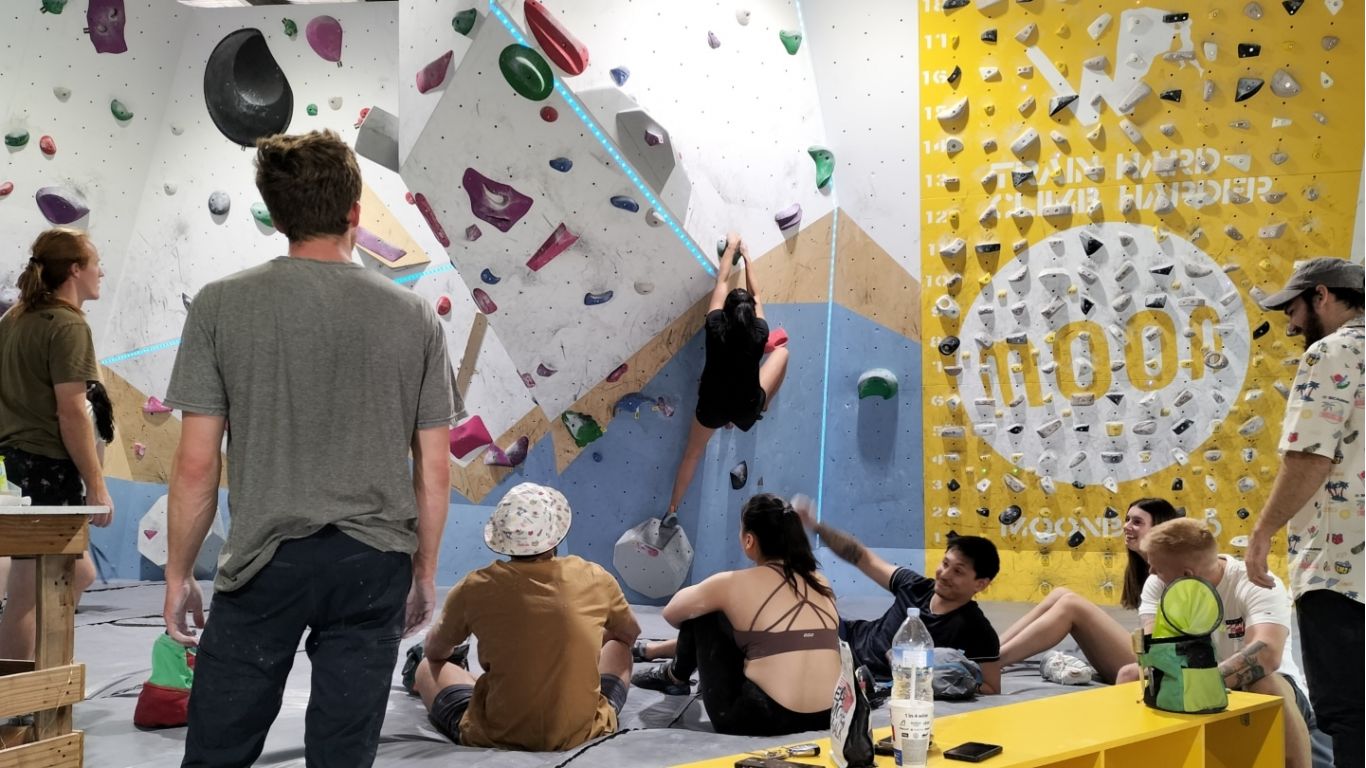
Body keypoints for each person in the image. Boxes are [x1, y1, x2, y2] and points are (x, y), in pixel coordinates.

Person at [160, 130, 455, 768]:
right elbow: (433, 470)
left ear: (276, 215)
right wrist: (425, 572)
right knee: (343, 755)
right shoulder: (415, 317)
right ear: (354, 213)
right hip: (373, 564)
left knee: (217, 751)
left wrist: (179, 573)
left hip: (265, 560)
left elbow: (195, 464)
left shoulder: (219, 306)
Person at [410, 483, 641, 751]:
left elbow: (436, 650)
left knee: (427, 666)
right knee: (620, 647)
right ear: (557, 532)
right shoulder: (595, 578)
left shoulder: (475, 587)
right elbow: (629, 634)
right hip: (583, 731)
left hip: (495, 733)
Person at [1246, 257, 1364, 768]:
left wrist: (1261, 532)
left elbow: (1309, 457)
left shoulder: (1332, 352)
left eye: (1293, 308)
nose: (1290, 324)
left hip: (1342, 569)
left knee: (1348, 712)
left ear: (1321, 296)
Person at [1116, 518, 1318, 768]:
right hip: (1190, 681)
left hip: (1267, 686)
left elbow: (1267, 654)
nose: (1151, 573)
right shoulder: (1159, 584)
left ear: (1187, 575)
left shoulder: (1255, 581)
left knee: (1264, 681)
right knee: (1128, 676)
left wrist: (1204, 682)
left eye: (1156, 567)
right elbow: (1154, 649)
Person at [633, 493, 839, 736]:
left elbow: (672, 613)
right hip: (830, 716)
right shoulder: (821, 582)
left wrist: (723, 606)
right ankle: (671, 672)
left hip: (763, 718)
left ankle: (675, 676)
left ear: (749, 540)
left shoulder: (731, 583)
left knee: (703, 612)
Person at [0, 227, 114, 661]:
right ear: (74, 270)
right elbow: (71, 412)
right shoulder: (66, 325)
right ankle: (18, 705)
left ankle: (44, 677)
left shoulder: (15, 319)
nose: (101, 272)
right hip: (44, 467)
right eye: (95, 263)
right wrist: (97, 485)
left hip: (15, 465)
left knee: (79, 572)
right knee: (28, 594)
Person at [795, 507, 1002, 693]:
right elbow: (860, 556)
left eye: (958, 571)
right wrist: (815, 525)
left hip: (873, 682)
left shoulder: (978, 631)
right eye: (945, 563)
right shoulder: (914, 585)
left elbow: (991, 688)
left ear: (980, 584)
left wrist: (934, 675)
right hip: (846, 640)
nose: (944, 574)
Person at [665, 233, 788, 520]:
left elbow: (721, 283)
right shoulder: (760, 332)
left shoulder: (715, 326)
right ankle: (763, 404)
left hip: (712, 403)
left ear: (727, 315)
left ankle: (672, 508)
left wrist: (731, 248)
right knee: (782, 354)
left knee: (693, 453)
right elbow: (757, 296)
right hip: (745, 407)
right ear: (750, 317)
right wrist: (747, 255)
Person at [996, 498, 1182, 684]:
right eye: (1127, 519)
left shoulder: (1169, 571)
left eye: (1137, 522)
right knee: (1060, 593)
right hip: (1149, 655)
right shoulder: (1145, 567)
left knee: (1071, 605)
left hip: (1161, 665)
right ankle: (991, 652)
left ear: (1158, 528)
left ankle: (993, 662)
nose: (1126, 526)